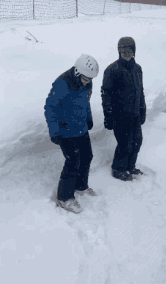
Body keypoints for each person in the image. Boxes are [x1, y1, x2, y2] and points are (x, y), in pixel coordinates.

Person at [44, 54, 99, 213]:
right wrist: (54, 131)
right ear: (77, 73)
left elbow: (85, 103)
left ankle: (80, 186)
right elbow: (50, 108)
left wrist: (88, 118)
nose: (89, 82)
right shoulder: (62, 84)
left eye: (91, 79)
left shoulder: (87, 83)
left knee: (87, 156)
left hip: (80, 128)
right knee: (73, 161)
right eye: (86, 79)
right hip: (65, 131)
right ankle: (64, 197)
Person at [101, 37, 146, 181]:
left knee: (137, 141)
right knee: (125, 144)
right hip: (119, 116)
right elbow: (105, 94)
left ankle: (130, 166)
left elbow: (140, 91)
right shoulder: (112, 70)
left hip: (135, 113)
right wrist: (108, 116)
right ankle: (118, 168)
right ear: (119, 51)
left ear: (134, 51)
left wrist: (142, 109)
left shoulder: (137, 69)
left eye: (129, 50)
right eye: (123, 51)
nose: (126, 53)